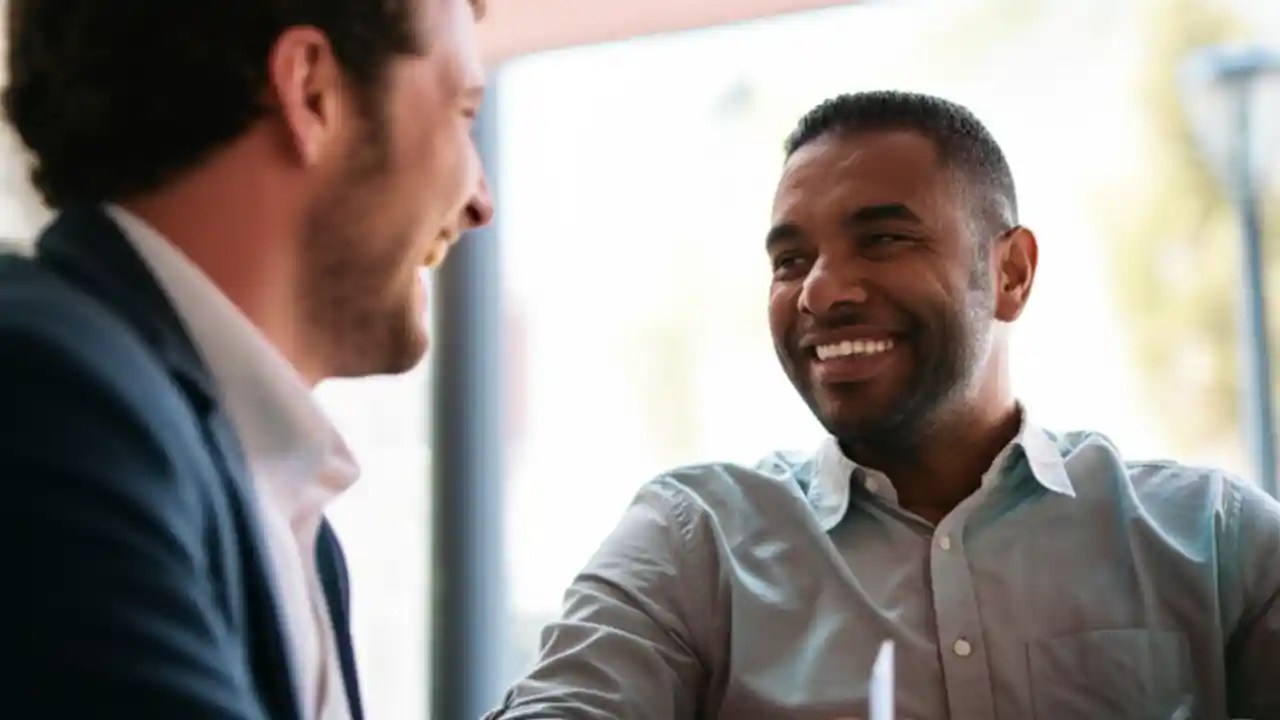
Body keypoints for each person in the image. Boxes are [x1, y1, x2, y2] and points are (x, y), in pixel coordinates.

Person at [486, 91, 1280, 719]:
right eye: (791, 259)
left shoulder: (1214, 541)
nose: (821, 292)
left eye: (884, 240)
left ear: (1011, 274)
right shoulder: (693, 542)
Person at [0, 0, 491, 718]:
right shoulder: (46, 395)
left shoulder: (293, 520)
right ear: (311, 91)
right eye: (464, 112)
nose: (481, 200)